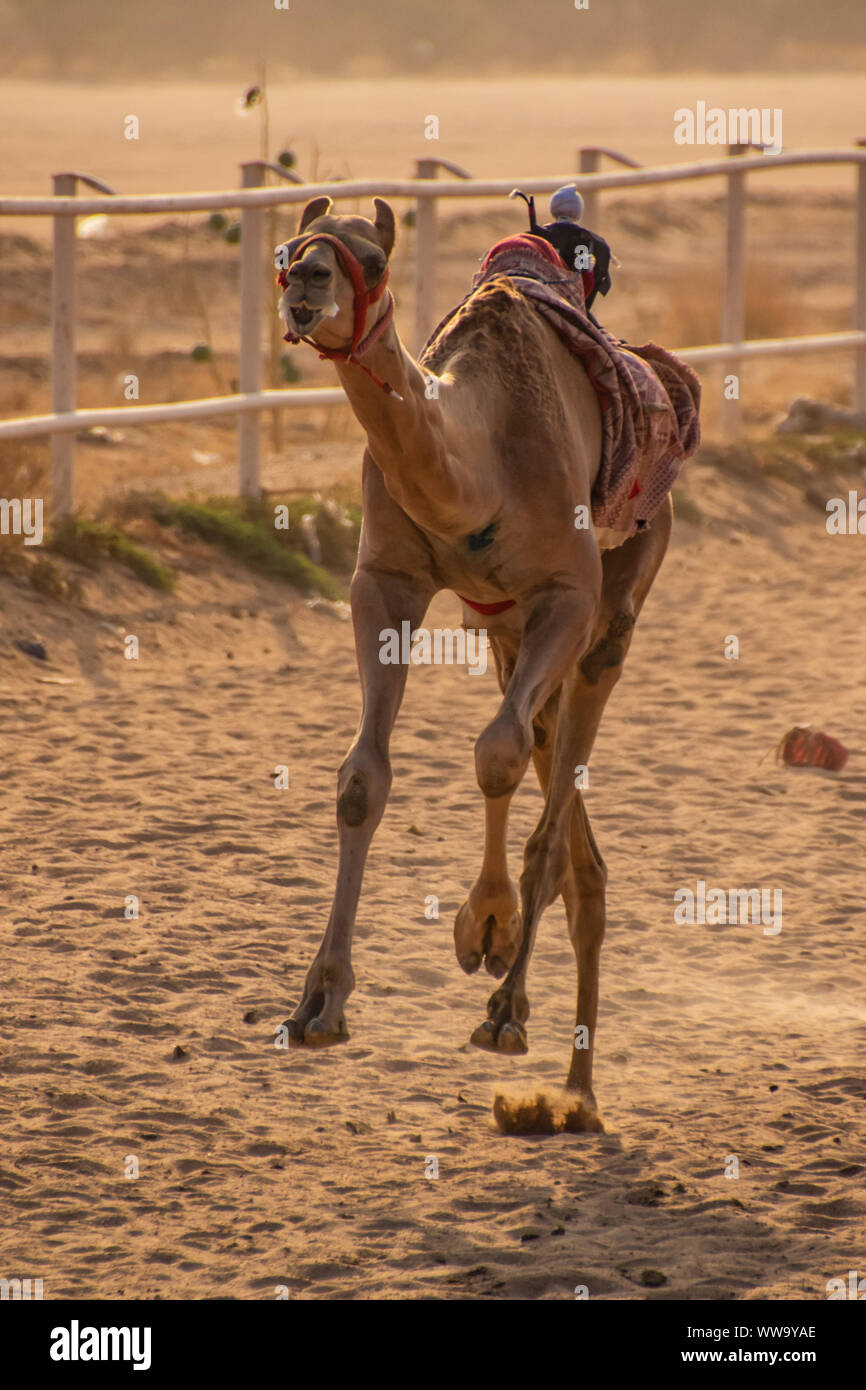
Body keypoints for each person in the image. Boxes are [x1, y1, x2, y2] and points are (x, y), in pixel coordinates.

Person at [511, 184, 614, 319]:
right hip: (570, 304)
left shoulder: (535, 236)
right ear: (578, 210)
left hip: (530, 297)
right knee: (599, 335)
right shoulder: (583, 241)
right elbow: (585, 284)